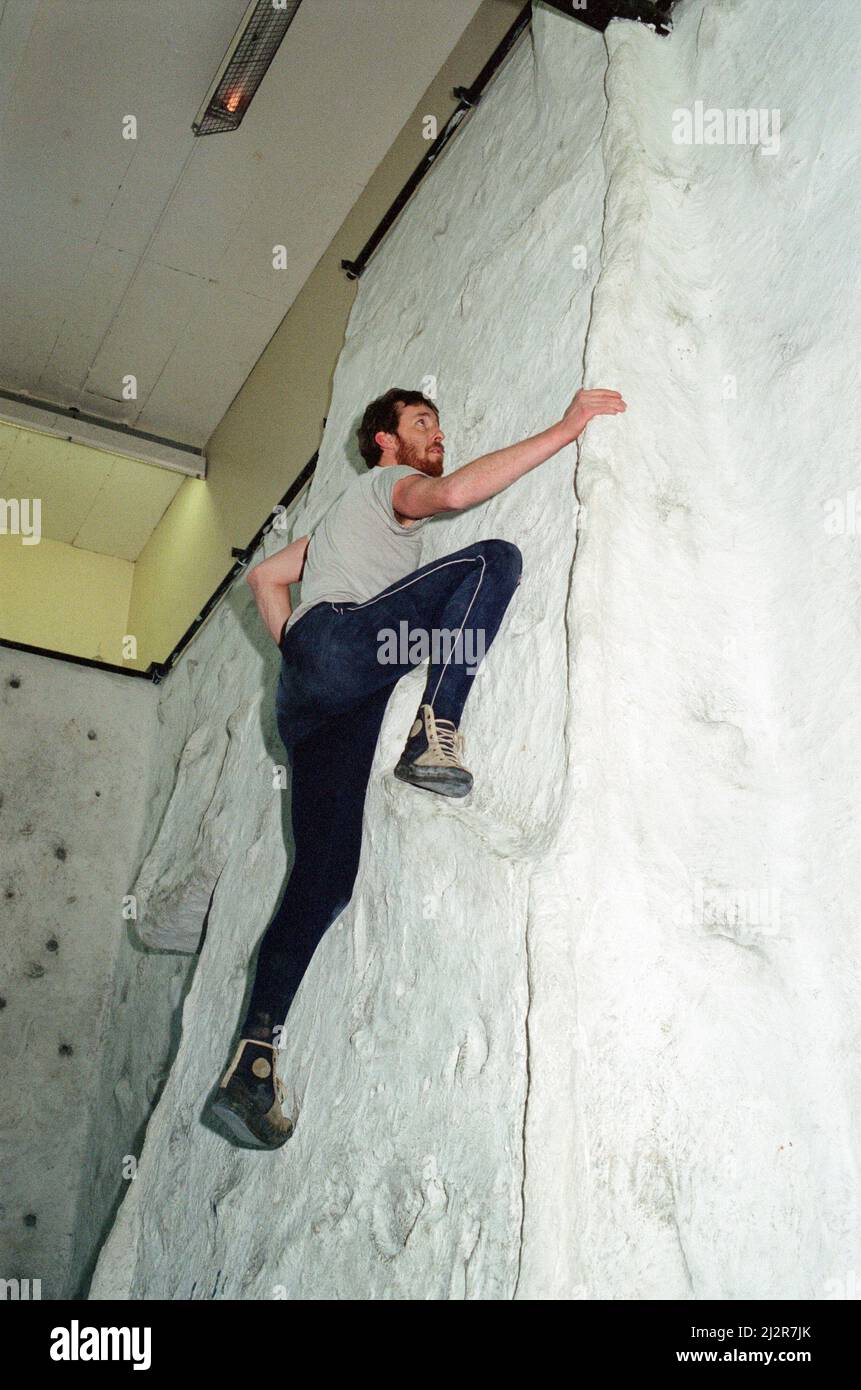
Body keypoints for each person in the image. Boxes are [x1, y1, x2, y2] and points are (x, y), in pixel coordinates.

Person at [209, 385, 626, 1148]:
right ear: (385, 445)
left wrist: (300, 654)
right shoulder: (384, 488)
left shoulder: (339, 528)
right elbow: (458, 493)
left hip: (318, 697)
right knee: (491, 559)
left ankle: (254, 1059)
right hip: (336, 652)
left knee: (324, 878)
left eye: (438, 422)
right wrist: (566, 427)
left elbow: (262, 579)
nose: (438, 433)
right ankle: (435, 732)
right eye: (421, 425)